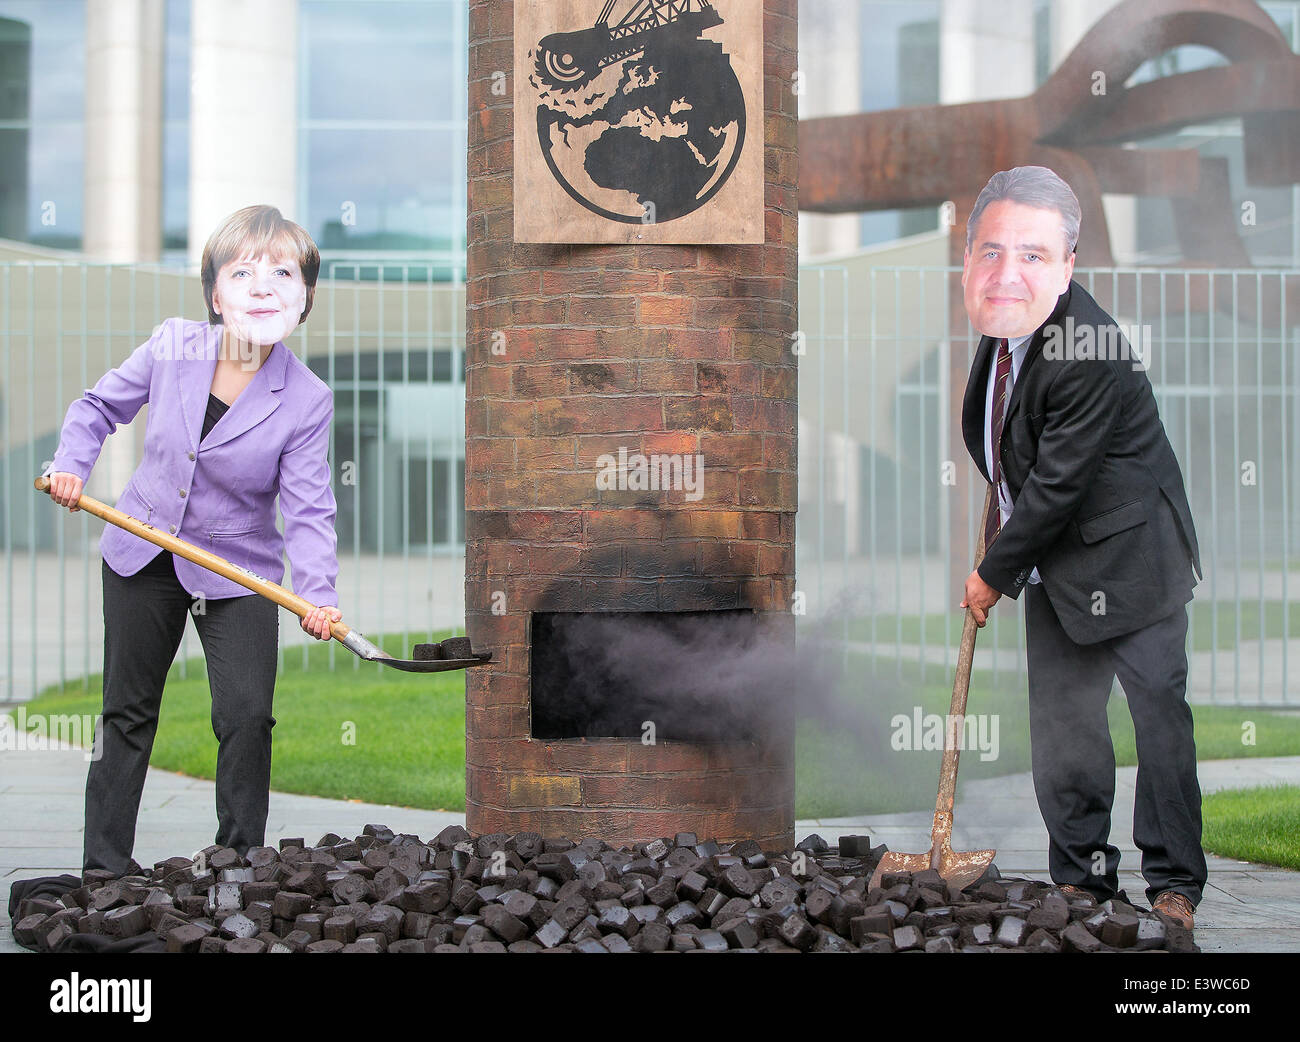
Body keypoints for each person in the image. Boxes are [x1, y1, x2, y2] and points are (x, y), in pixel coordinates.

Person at [43, 204, 342, 876]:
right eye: (243, 272)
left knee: (245, 716)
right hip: (141, 550)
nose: (261, 287)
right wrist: (71, 466)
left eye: (281, 275)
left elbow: (308, 506)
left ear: (302, 299)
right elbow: (96, 410)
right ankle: (105, 869)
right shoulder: (172, 344)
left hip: (237, 571)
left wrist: (318, 593)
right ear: (217, 292)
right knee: (126, 712)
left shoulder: (306, 397)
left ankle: (239, 867)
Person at [956, 166, 1205, 933]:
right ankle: (1085, 883)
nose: (1009, 272)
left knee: (1157, 716)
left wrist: (990, 574)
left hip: (1135, 562)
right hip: (1058, 564)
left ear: (1069, 265)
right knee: (1065, 723)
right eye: (992, 252)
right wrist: (1005, 517)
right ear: (968, 261)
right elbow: (1015, 453)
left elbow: (1059, 484)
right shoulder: (1004, 335)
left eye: (1034, 255)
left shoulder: (1088, 345)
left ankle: (1175, 886)